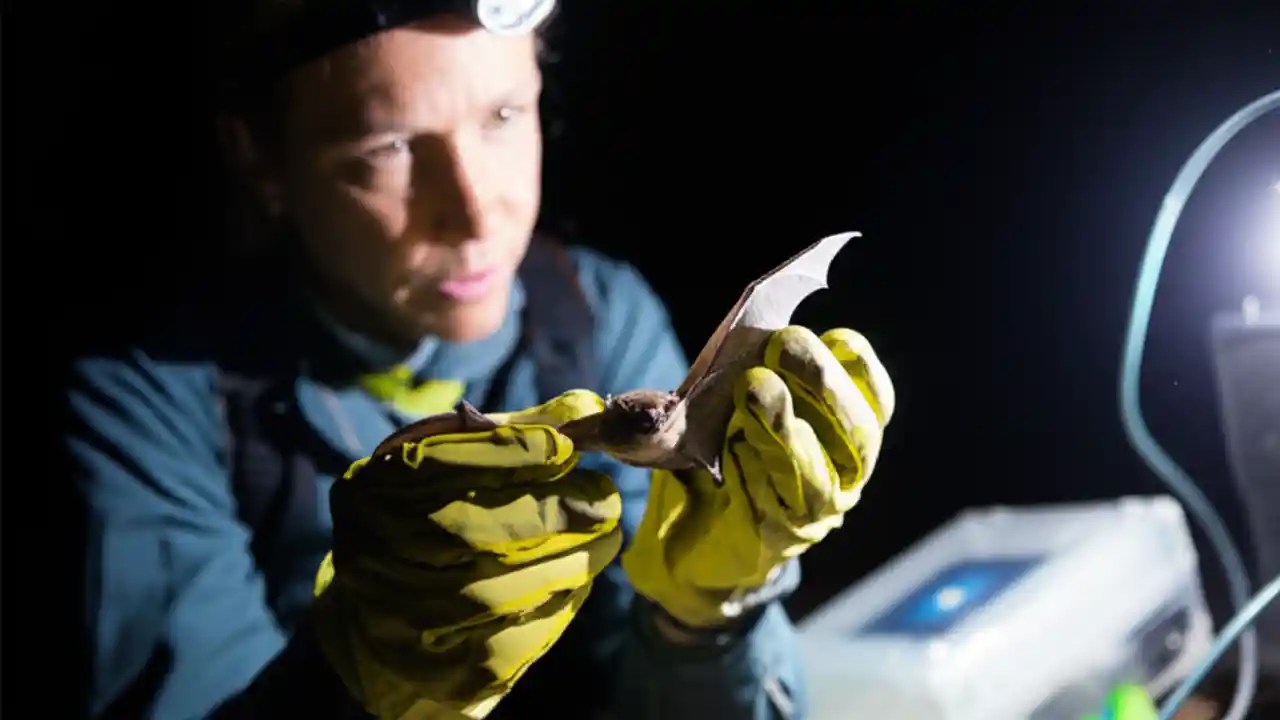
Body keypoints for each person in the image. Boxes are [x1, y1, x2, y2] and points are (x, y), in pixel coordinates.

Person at [65, 1, 896, 718]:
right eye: (383, 150)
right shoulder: (152, 401)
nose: (472, 212)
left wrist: (708, 616)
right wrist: (356, 678)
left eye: (502, 117)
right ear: (261, 160)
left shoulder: (596, 312)